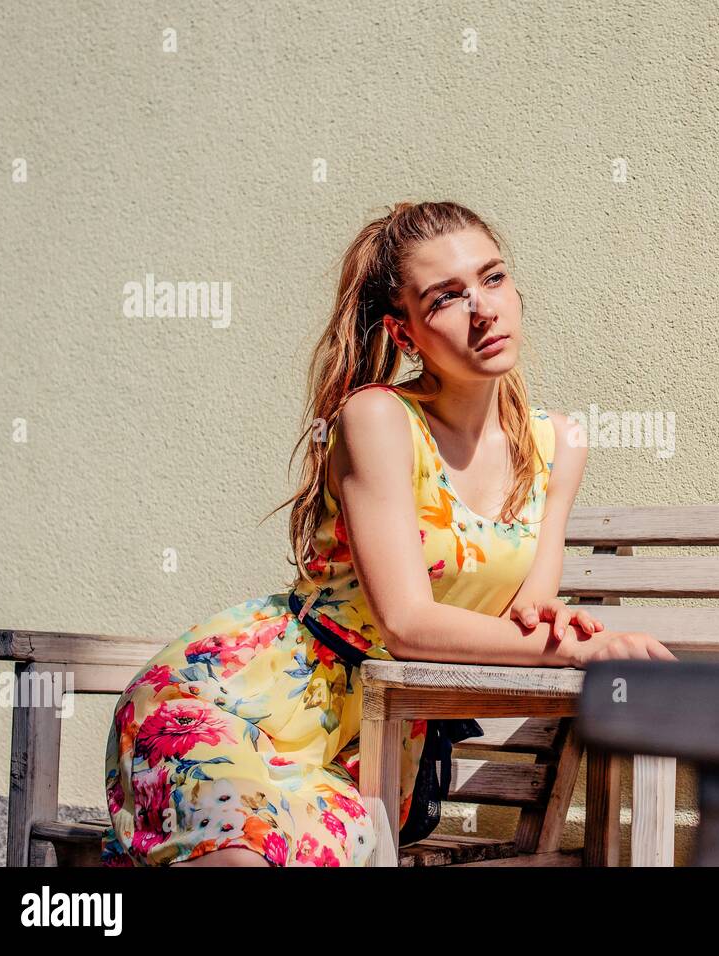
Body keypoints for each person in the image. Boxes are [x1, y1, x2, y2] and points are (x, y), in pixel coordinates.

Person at [100, 200, 676, 867]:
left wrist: (575, 636)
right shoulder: (378, 419)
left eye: (493, 278)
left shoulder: (560, 444)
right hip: (241, 702)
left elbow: (527, 617)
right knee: (238, 857)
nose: (483, 309)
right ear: (404, 333)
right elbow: (405, 622)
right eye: (445, 299)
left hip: (372, 745)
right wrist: (583, 649)